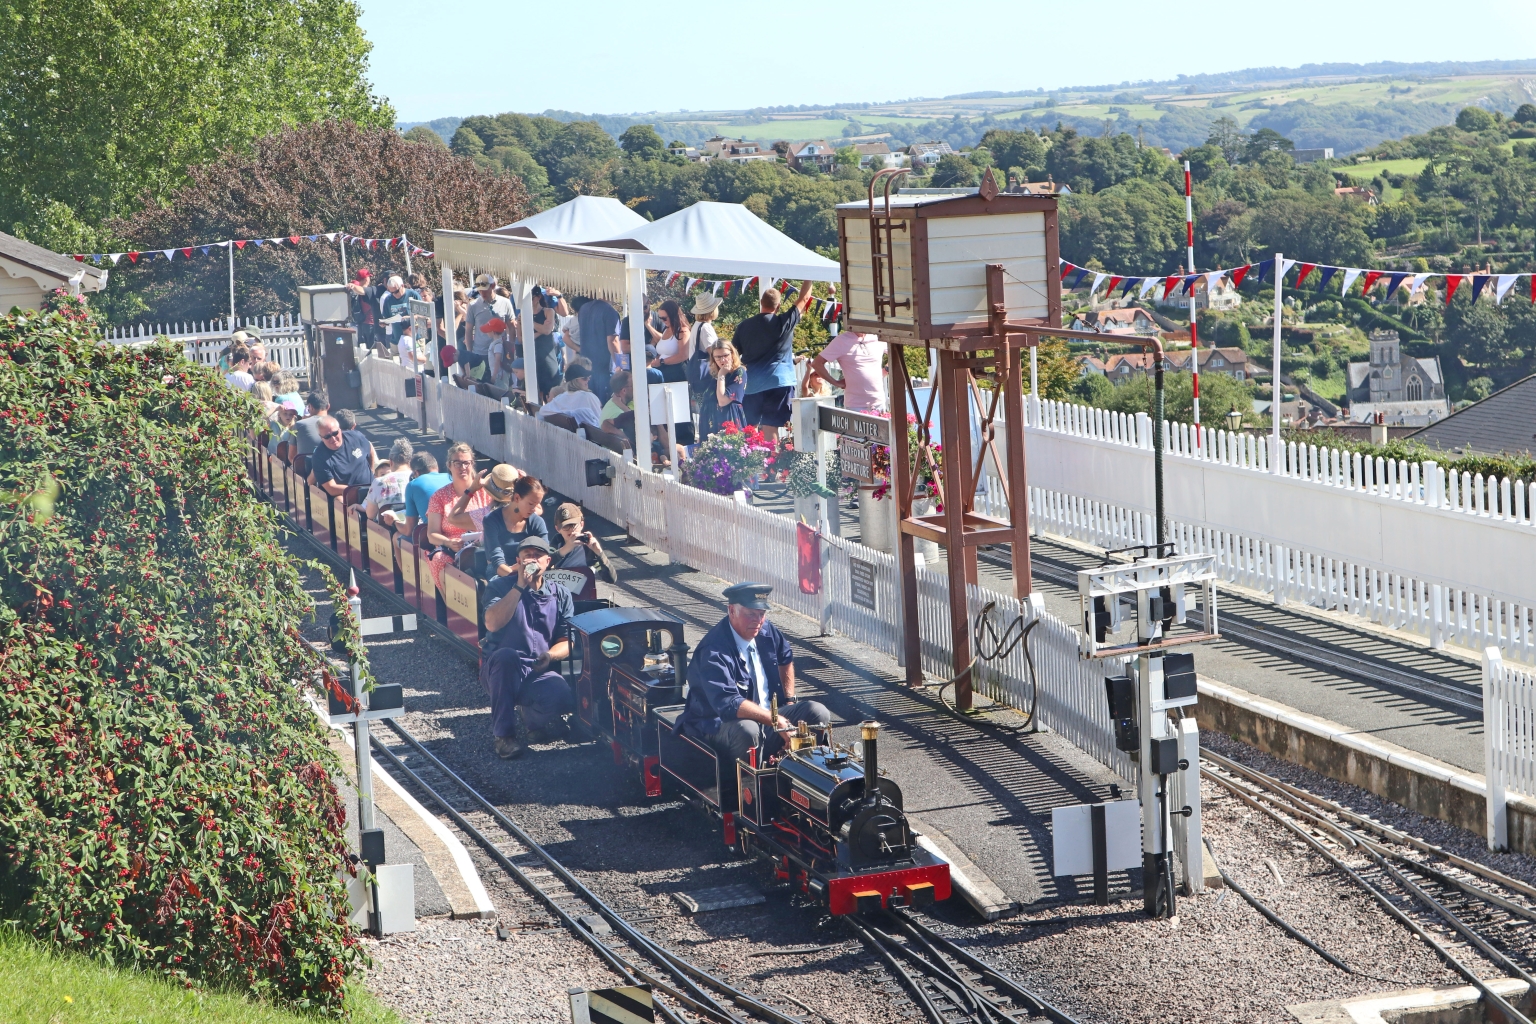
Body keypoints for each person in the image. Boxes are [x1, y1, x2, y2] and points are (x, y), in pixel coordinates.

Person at [678, 582, 830, 762]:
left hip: (768, 715)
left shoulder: (765, 630)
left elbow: (785, 657)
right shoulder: (714, 650)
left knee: (817, 713)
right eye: (751, 614)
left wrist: (788, 700)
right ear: (732, 610)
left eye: (761, 614)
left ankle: (805, 773)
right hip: (717, 722)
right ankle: (748, 787)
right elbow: (729, 704)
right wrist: (776, 720)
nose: (758, 621)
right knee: (748, 731)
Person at [480, 536, 576, 759]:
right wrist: (520, 586)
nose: (532, 559)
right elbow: (492, 622)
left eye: (537, 555)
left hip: (536, 667)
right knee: (506, 656)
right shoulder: (499, 586)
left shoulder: (560, 594)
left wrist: (550, 655)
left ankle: (533, 720)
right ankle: (503, 737)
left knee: (561, 694)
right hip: (500, 669)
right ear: (518, 561)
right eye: (527, 556)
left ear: (548, 561)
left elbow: (567, 640)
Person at [733, 282, 814, 439]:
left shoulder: (744, 326)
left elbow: (735, 354)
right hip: (780, 382)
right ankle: (771, 462)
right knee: (771, 428)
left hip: (753, 384)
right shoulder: (784, 322)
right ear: (778, 307)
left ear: (761, 303)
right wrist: (808, 277)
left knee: (750, 428)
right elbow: (804, 299)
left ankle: (751, 461)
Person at [426, 442, 489, 589]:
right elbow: (432, 534)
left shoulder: (485, 492)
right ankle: (451, 607)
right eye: (457, 463)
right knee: (439, 560)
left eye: (466, 463)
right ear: (449, 465)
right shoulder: (439, 496)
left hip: (482, 545)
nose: (462, 467)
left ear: (472, 464)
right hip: (452, 548)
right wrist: (449, 542)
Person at [480, 474, 548, 580]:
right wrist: (516, 575)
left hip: (532, 571)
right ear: (517, 498)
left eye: (537, 504)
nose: (534, 509)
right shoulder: (492, 520)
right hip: (500, 573)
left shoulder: (537, 522)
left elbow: (545, 553)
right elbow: (497, 561)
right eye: (531, 504)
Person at [804, 328, 887, 413]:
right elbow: (817, 363)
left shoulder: (877, 337)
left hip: (879, 402)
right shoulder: (841, 340)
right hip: (855, 405)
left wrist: (886, 369)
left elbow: (895, 354)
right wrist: (835, 383)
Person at [652, 299, 694, 446]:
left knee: (680, 411)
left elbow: (683, 355)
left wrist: (662, 362)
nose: (663, 321)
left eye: (665, 318)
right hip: (663, 373)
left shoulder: (682, 330)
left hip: (677, 372)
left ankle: (685, 443)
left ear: (673, 315)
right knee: (667, 410)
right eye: (660, 318)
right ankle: (670, 443)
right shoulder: (666, 329)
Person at [465, 273, 517, 380]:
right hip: (480, 353)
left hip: (500, 352)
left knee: (500, 383)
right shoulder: (473, 305)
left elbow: (512, 326)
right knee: (480, 384)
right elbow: (468, 330)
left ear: (492, 286)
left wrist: (511, 348)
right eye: (480, 290)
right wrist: (469, 353)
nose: (482, 292)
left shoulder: (505, 303)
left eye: (485, 289)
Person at [309, 415, 377, 496]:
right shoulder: (319, 457)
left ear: (340, 430)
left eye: (335, 433)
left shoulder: (356, 437)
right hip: (346, 495)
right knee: (339, 500)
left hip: (371, 489)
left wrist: (372, 471)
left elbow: (370, 449)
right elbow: (332, 488)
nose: (333, 439)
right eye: (327, 436)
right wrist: (358, 491)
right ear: (321, 437)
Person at [695, 341, 747, 441]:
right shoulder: (712, 373)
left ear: (732, 354)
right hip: (709, 419)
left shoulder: (739, 372)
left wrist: (722, 376)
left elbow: (723, 401)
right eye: (718, 357)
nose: (722, 360)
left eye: (726, 355)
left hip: (728, 418)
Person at [550, 502, 614, 580]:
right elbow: (545, 565)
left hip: (584, 590)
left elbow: (610, 579)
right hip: (560, 589)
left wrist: (599, 553)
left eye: (574, 525)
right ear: (558, 529)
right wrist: (567, 548)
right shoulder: (557, 541)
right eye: (566, 526)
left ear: (581, 524)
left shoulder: (587, 545)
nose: (571, 529)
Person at [576, 295, 621, 402]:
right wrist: (621, 365)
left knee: (590, 405)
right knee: (604, 405)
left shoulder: (584, 308)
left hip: (586, 367)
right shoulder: (610, 312)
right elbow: (613, 341)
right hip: (605, 369)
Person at [529, 284, 571, 400]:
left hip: (552, 344)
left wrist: (558, 296)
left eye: (532, 298)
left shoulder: (548, 301)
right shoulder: (522, 292)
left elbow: (564, 313)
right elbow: (524, 337)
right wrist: (542, 330)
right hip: (534, 348)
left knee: (554, 375)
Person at [536, 361, 603, 429]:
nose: (588, 380)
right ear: (575, 381)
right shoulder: (589, 397)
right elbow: (601, 422)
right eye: (584, 378)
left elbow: (542, 411)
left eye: (589, 377)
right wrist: (574, 414)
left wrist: (569, 414)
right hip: (589, 438)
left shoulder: (561, 397)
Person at [362, 439, 414, 523]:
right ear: (410, 461)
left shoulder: (379, 482)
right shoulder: (419, 478)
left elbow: (370, 514)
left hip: (386, 528)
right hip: (415, 527)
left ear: (391, 462)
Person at [402, 451, 451, 536]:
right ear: (436, 467)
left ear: (416, 472)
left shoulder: (413, 484)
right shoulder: (451, 477)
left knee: (396, 538)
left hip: (436, 535)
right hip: (461, 529)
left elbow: (409, 530)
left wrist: (393, 522)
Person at [687, 294, 722, 387]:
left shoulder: (697, 325)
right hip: (707, 376)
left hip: (697, 374)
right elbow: (713, 351)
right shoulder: (705, 327)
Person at [377, 275, 419, 349]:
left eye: (396, 291)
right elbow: (387, 318)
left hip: (414, 339)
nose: (394, 294)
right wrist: (384, 323)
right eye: (391, 292)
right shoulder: (388, 299)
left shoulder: (413, 295)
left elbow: (424, 315)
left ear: (402, 286)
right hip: (396, 340)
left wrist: (410, 318)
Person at [292, 390, 330, 458]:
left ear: (310, 407)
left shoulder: (299, 424)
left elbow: (291, 456)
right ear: (328, 406)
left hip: (306, 467)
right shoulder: (336, 424)